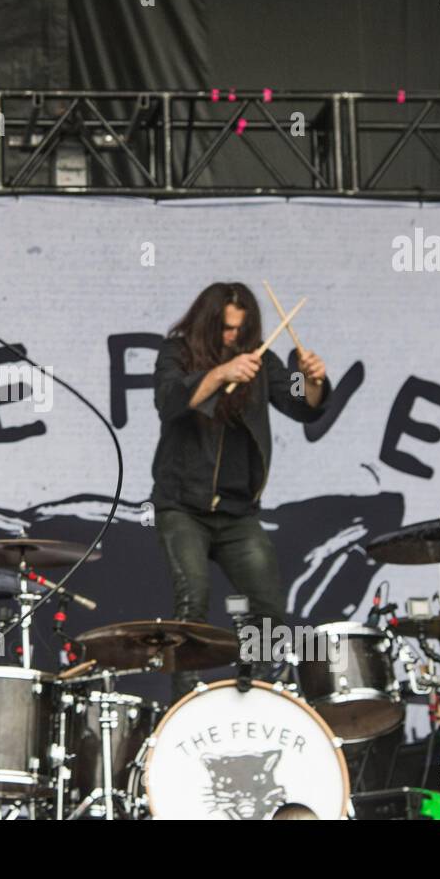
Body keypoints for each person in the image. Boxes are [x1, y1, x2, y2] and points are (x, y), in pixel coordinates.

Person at [149, 282, 331, 702]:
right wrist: (219, 374)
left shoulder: (262, 362)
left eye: (240, 329)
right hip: (183, 506)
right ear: (209, 323)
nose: (233, 337)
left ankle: (259, 694)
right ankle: (183, 702)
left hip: (238, 512)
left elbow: (301, 404)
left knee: (267, 609)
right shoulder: (177, 352)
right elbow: (168, 400)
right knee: (192, 602)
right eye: (226, 329)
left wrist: (312, 380)